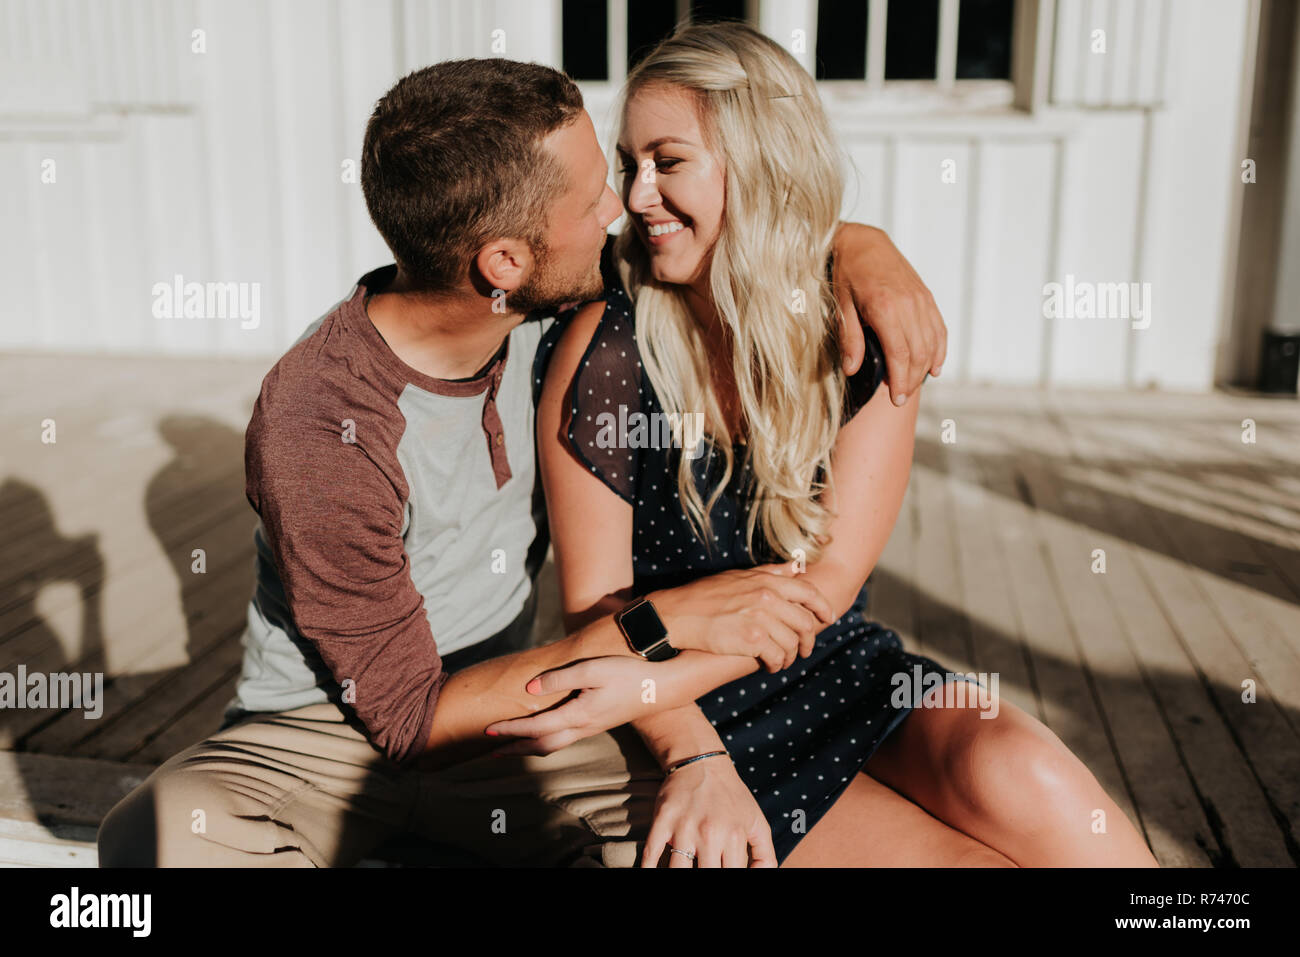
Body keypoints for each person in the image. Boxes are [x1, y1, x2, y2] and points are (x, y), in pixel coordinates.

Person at [95, 54, 947, 867]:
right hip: (320, 736)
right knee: (156, 839)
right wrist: (669, 619)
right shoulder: (317, 423)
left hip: (518, 712)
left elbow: (733, 228)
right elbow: (406, 717)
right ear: (504, 263)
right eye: (593, 198)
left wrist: (861, 247)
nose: (622, 205)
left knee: (716, 832)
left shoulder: (548, 295)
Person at [507, 22, 1161, 867]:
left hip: (828, 660)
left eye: (667, 162)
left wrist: (655, 675)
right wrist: (671, 716)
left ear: (762, 161)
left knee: (1033, 779)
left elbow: (830, 583)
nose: (636, 196)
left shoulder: (861, 331)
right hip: (680, 715)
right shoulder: (606, 346)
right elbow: (595, 611)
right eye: (631, 165)